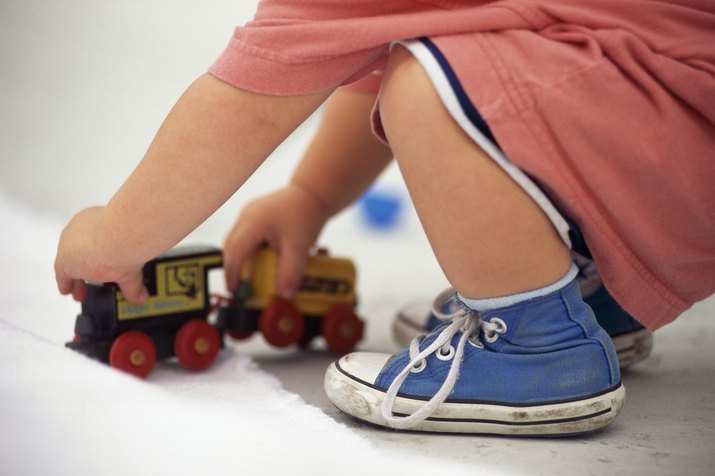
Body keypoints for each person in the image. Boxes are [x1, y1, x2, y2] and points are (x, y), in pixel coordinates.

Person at [55, 1, 715, 436]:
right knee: (457, 55)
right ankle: (591, 296)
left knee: (427, 84)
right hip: (677, 137)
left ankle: (536, 346)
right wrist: (310, 196)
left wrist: (117, 234)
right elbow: (369, 40)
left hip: (676, 141)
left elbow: (250, 101)